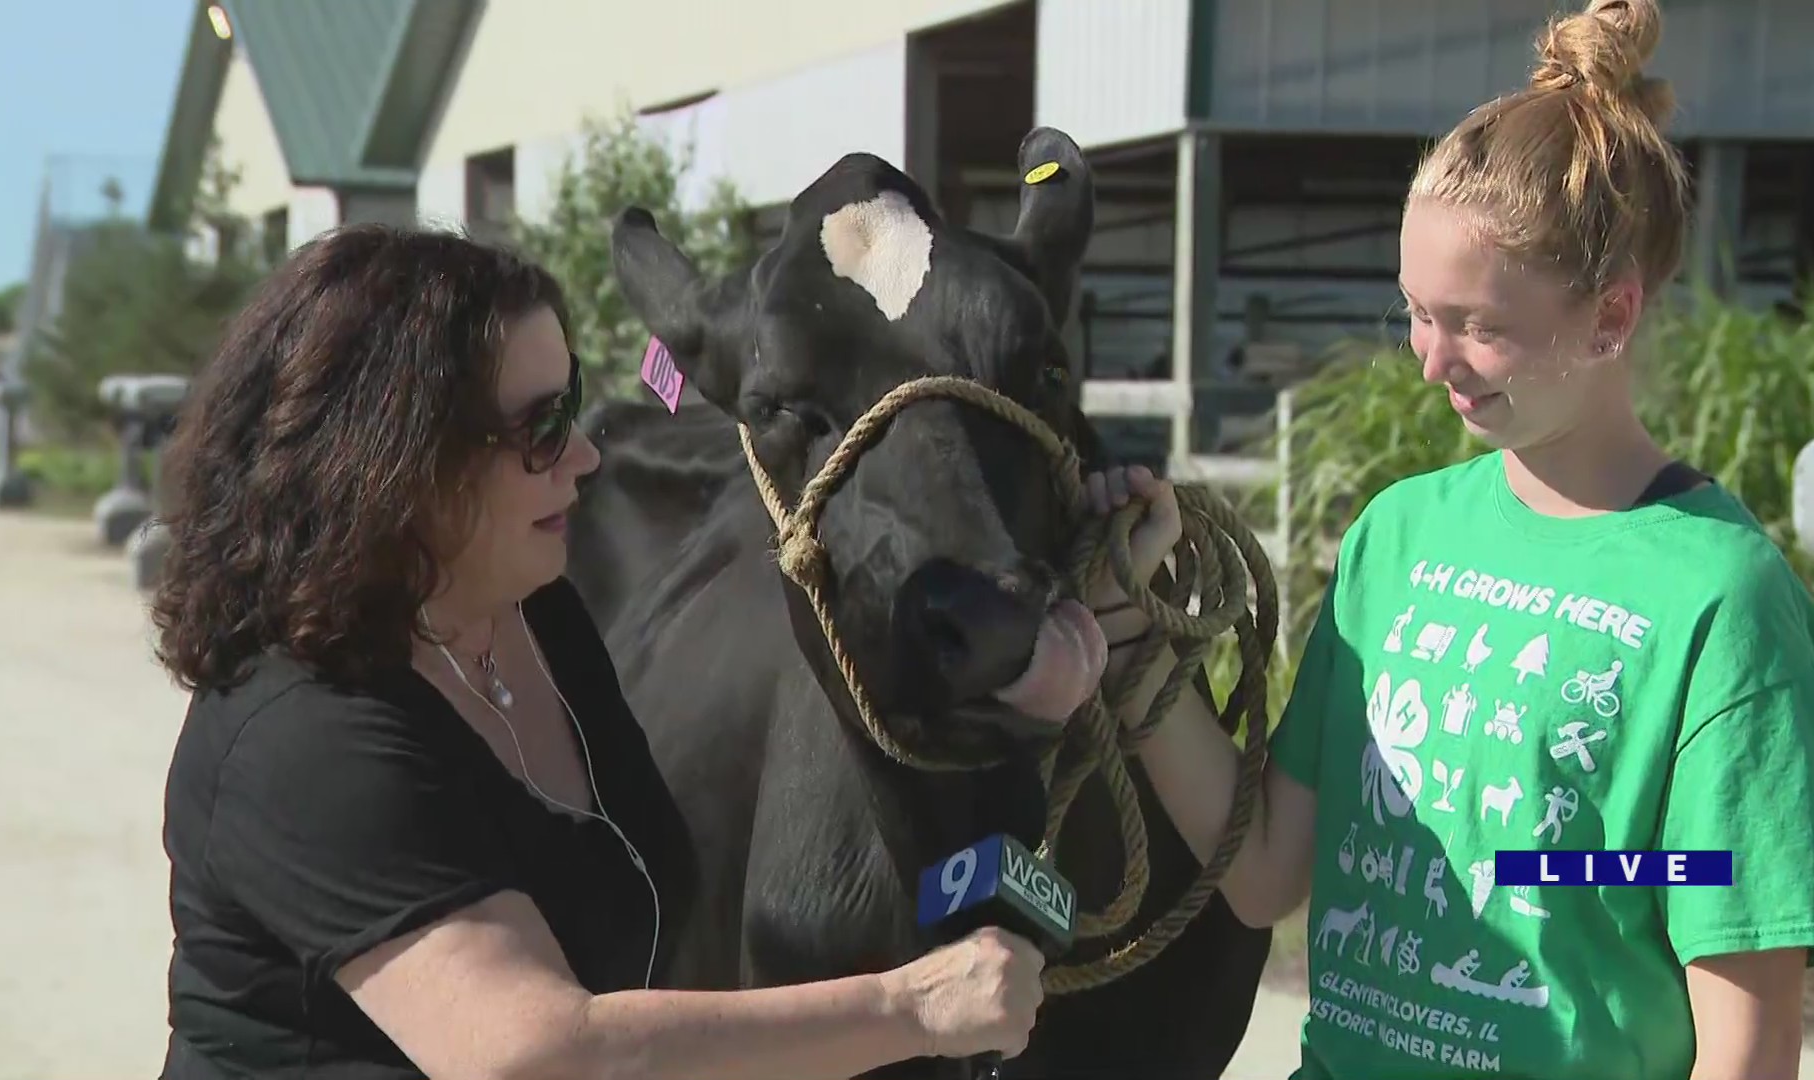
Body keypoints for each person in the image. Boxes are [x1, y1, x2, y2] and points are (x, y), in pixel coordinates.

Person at [1084, 1, 1814, 1077]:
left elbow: (1746, 1040)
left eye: (1480, 325)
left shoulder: (1721, 598)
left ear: (1612, 316)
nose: (1432, 361)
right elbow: (1270, 872)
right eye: (1417, 312)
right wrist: (1130, 642)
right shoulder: (1401, 536)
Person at [149, 223, 1053, 1080]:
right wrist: (913, 1009)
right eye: (542, 427)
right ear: (391, 460)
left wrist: (1029, 687)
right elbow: (533, 1054)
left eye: (573, 404)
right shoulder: (301, 733)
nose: (585, 455)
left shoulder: (536, 617)